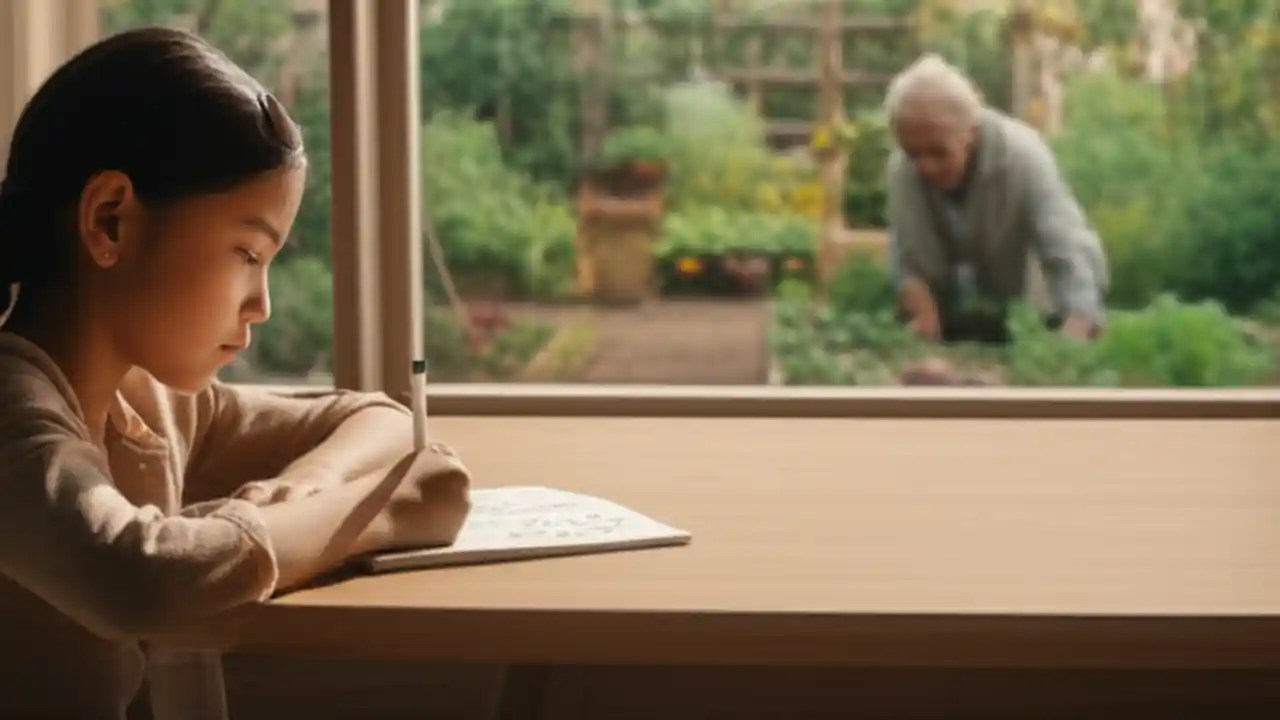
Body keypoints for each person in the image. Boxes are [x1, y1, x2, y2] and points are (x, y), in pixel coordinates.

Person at [0, 28, 471, 718]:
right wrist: (384, 512)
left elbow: (379, 420)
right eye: (248, 254)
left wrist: (305, 485)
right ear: (111, 222)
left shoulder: (151, 403)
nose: (263, 305)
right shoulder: (11, 415)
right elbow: (138, 576)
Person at [884, 54, 1109, 343]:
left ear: (971, 133)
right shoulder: (903, 168)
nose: (925, 166)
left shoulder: (1022, 155)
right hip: (956, 317)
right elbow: (907, 257)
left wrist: (1079, 321)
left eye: (939, 152)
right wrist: (922, 322)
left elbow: (1066, 246)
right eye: (913, 153)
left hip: (1032, 314)